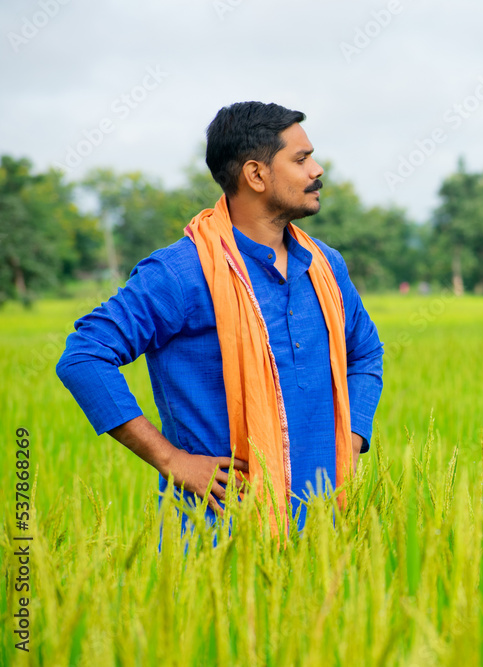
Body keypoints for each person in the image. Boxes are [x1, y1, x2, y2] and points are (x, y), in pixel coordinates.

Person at [56, 102, 384, 534]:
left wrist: (352, 437)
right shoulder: (181, 273)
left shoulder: (325, 265)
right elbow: (84, 356)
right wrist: (172, 460)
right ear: (256, 174)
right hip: (218, 539)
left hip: (324, 530)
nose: (316, 170)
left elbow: (364, 353)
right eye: (301, 159)